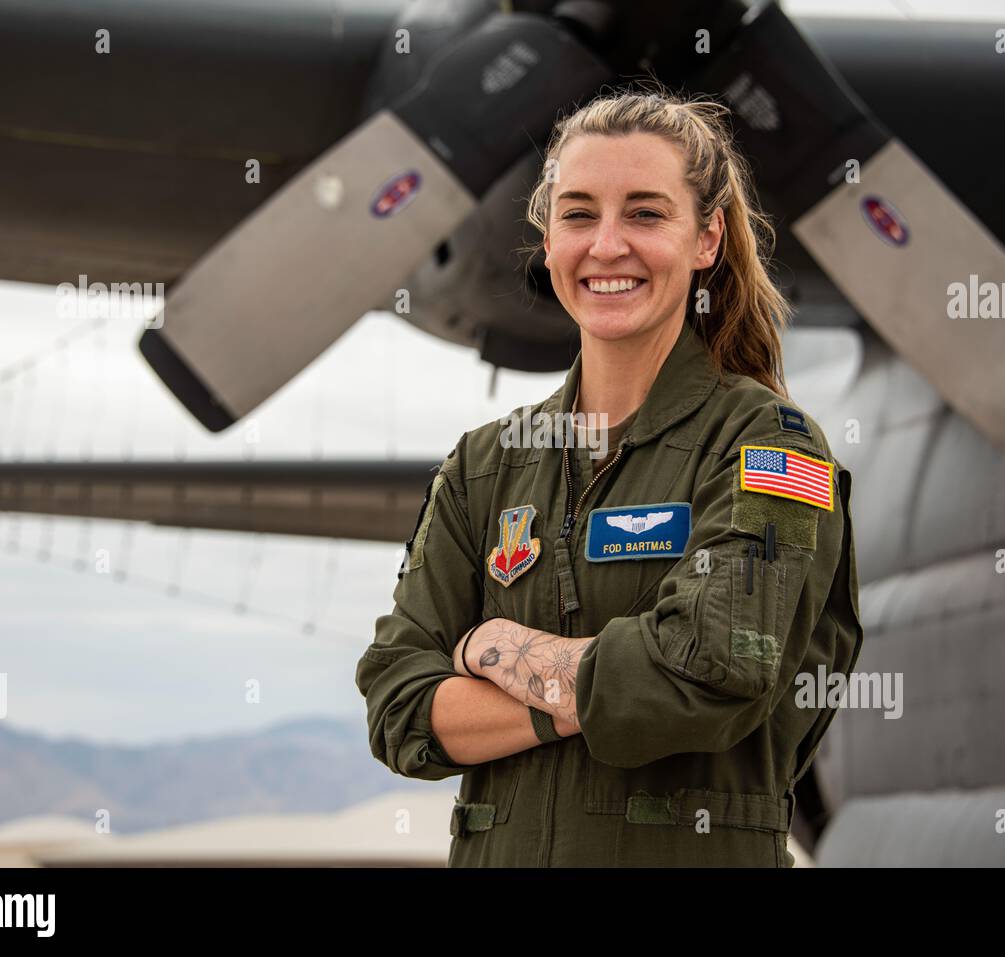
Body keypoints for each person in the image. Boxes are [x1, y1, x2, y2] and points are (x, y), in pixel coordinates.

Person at [355, 86, 864, 867]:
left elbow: (709, 673)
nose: (607, 245)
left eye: (646, 213)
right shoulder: (485, 465)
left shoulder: (774, 449)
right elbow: (398, 706)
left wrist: (497, 647)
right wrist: (582, 689)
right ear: (549, 241)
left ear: (707, 240)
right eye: (580, 213)